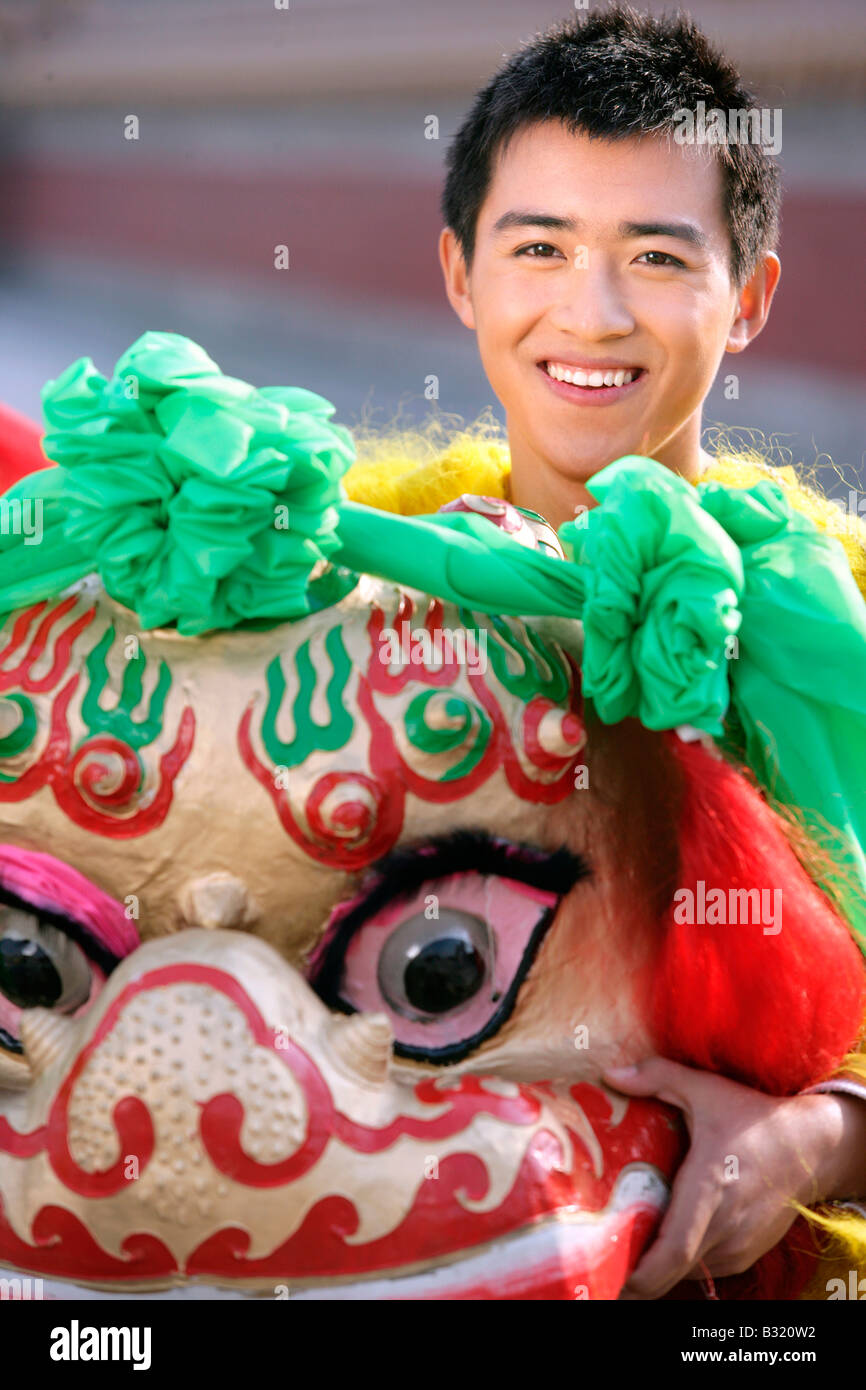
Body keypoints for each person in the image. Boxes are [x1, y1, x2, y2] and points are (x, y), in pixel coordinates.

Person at [344, 5, 866, 1299]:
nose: (590, 312)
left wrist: (817, 1137)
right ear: (461, 273)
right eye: (539, 246)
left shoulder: (816, 615)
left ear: (743, 298)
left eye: (652, 254)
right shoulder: (368, 566)